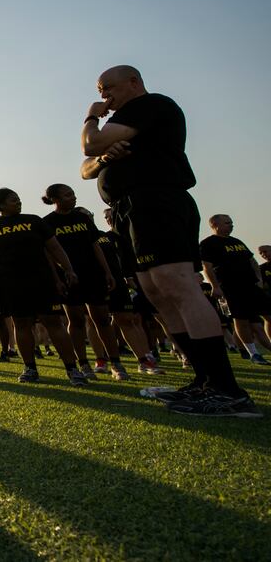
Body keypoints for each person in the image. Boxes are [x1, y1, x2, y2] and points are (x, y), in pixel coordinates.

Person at [81, 64, 257, 416]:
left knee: (176, 284)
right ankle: (204, 381)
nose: (104, 98)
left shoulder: (151, 105)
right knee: (156, 291)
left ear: (133, 83)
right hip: (128, 209)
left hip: (156, 199)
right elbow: (87, 165)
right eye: (100, 93)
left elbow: (91, 141)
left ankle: (227, 389)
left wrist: (91, 117)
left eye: (108, 89)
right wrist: (102, 158)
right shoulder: (124, 123)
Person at [0, 188, 88, 386]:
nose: (19, 202)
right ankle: (30, 368)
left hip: (41, 279)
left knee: (53, 322)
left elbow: (54, 248)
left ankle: (72, 369)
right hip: (10, 281)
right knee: (21, 323)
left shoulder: (35, 220)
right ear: (0, 205)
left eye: (19, 199)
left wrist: (68, 269)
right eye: (13, 200)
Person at [41, 184, 130, 380]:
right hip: (68, 278)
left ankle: (115, 363)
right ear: (55, 199)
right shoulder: (47, 223)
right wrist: (57, 278)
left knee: (102, 318)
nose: (73, 197)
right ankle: (83, 364)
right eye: (68, 195)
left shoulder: (82, 218)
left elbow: (95, 246)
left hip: (93, 275)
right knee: (77, 320)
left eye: (73, 193)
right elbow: (48, 255)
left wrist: (107, 272)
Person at [98, 208, 165, 374]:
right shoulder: (102, 238)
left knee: (131, 319)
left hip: (123, 282)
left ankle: (145, 358)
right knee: (100, 322)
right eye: (106, 217)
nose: (109, 219)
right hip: (97, 284)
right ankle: (103, 359)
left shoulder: (117, 237)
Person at [199, 214, 271, 364]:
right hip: (230, 287)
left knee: (268, 315)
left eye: (231, 223)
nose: (231, 225)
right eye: (227, 223)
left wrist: (258, 279)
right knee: (241, 319)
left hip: (250, 285)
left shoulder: (237, 241)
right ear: (215, 225)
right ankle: (253, 353)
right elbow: (207, 266)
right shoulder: (208, 243)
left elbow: (252, 261)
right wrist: (215, 286)